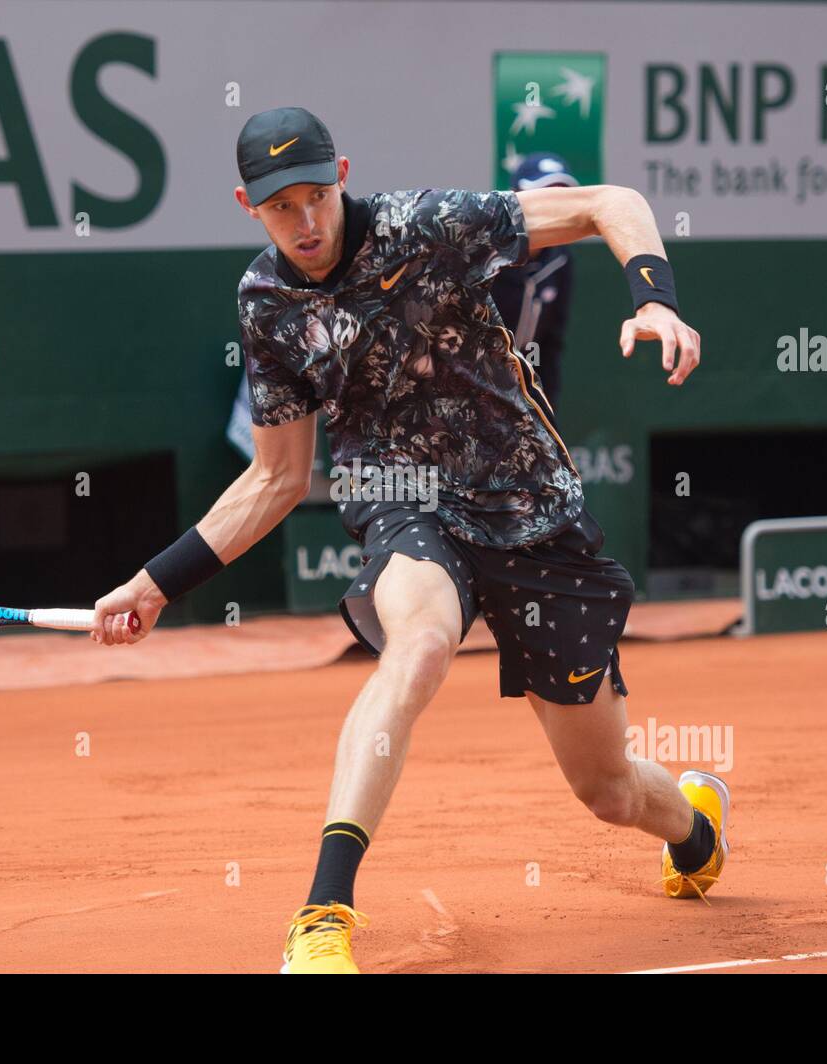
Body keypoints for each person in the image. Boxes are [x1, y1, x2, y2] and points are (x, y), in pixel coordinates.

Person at [91, 107, 724, 974]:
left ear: (343, 174)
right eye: (283, 208)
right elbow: (277, 478)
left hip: (533, 511)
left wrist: (654, 297)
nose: (307, 223)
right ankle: (323, 912)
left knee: (607, 790)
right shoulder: (267, 303)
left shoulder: (430, 226)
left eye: (318, 196)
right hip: (406, 507)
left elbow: (612, 202)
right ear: (248, 204)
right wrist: (155, 583)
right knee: (418, 646)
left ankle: (694, 829)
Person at [488, 152, 578, 411]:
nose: (555, 208)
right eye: (544, 196)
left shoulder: (560, 260)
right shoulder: (482, 253)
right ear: (514, 196)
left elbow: (549, 347)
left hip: (522, 390)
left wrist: (546, 415)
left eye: (563, 199)